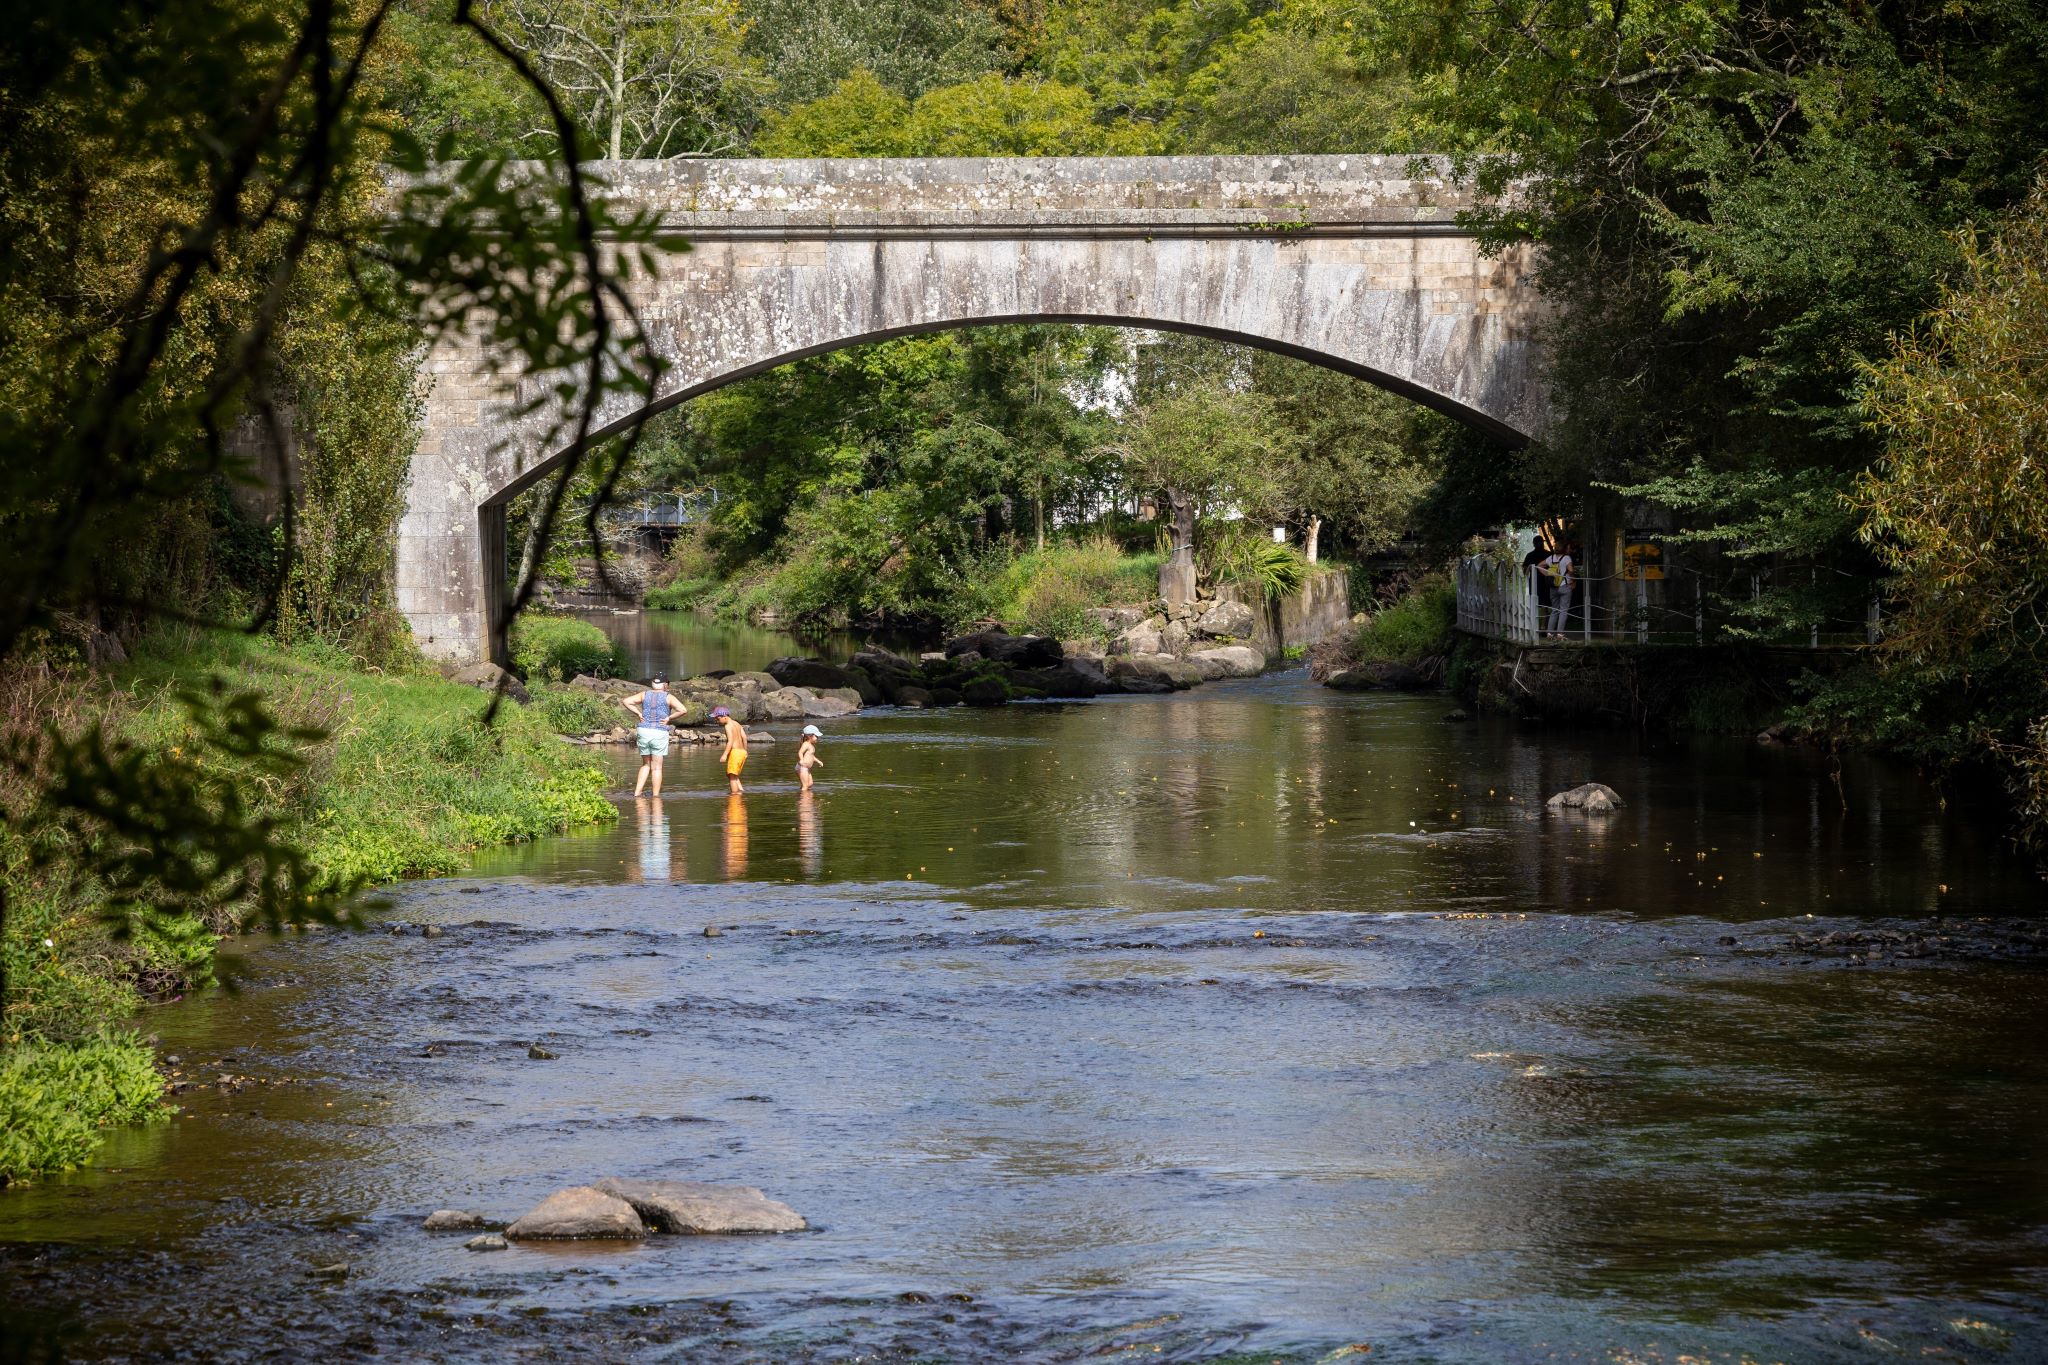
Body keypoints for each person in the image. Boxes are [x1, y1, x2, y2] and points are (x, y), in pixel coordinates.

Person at [620, 674, 673, 798]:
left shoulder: (644, 694)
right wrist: (669, 718)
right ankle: (655, 796)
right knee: (657, 768)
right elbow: (683, 710)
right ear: (665, 685)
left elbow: (626, 701)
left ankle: (637, 793)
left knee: (645, 765)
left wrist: (639, 713)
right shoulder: (668, 696)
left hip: (644, 731)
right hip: (659, 732)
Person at [1541, 544, 1576, 637]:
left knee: (1554, 610)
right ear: (1564, 549)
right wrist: (1572, 580)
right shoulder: (1566, 558)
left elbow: (1539, 566)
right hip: (1565, 586)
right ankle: (1560, 633)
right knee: (1563, 610)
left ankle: (1549, 633)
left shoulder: (1551, 558)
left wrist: (1548, 574)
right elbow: (1571, 570)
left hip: (1553, 587)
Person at [713, 704, 748, 795]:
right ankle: (740, 791)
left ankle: (734, 796)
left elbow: (731, 741)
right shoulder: (737, 723)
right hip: (742, 752)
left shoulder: (728, 726)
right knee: (732, 774)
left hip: (735, 752)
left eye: (717, 718)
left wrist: (724, 754)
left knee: (732, 776)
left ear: (724, 716)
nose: (717, 721)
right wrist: (745, 751)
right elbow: (744, 737)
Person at [1522, 541, 1552, 627]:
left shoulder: (1530, 555)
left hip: (1534, 582)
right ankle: (1543, 626)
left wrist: (1527, 573)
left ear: (1533, 544)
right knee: (1544, 605)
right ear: (1543, 544)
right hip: (1546, 582)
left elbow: (1524, 569)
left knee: (1534, 604)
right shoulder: (1549, 554)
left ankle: (1533, 625)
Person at [795, 724, 825, 791]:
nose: (818, 738)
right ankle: (803, 800)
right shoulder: (806, 744)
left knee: (810, 784)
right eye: (816, 736)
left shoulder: (811, 746)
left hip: (806, 768)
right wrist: (802, 760)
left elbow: (811, 756)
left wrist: (818, 761)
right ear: (809, 736)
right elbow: (800, 752)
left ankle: (803, 795)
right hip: (802, 767)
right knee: (805, 786)